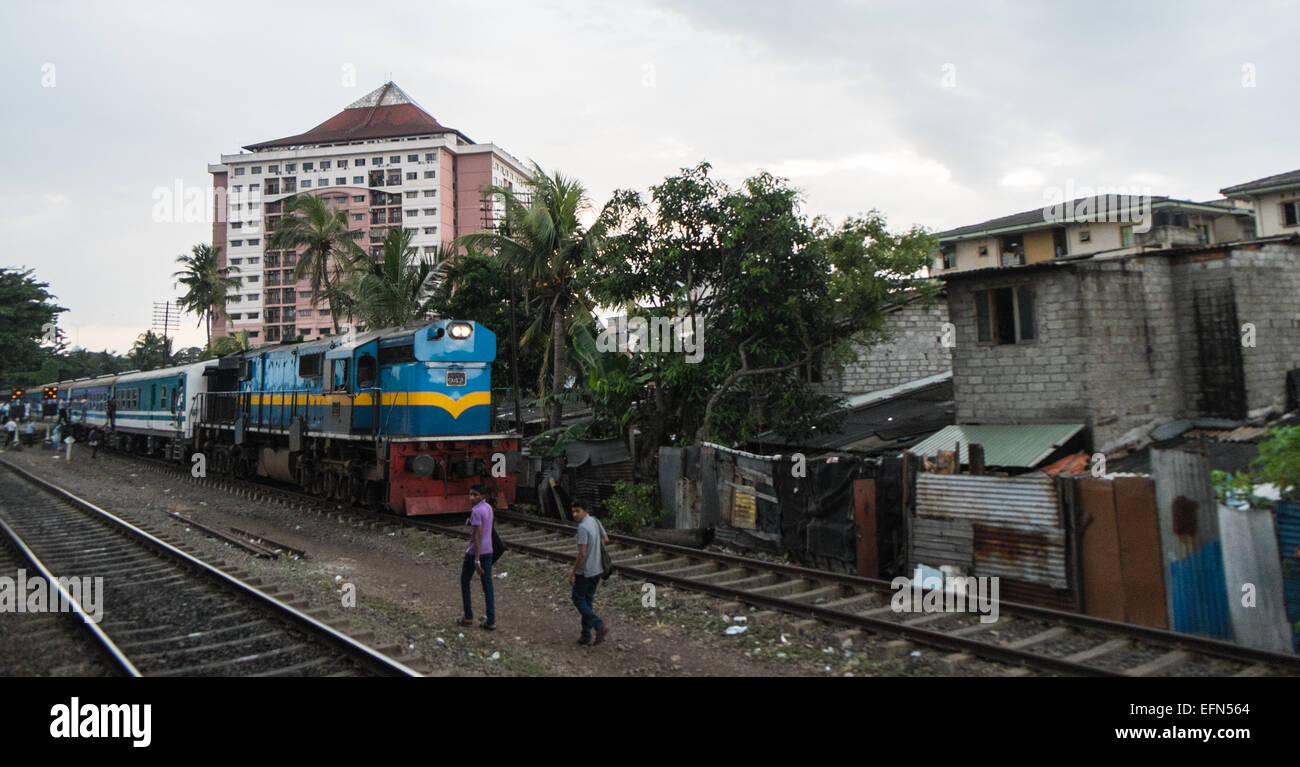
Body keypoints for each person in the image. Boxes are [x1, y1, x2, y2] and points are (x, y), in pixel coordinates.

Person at [569, 500, 611, 646]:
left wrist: (573, 572)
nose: (575, 514)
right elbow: (606, 539)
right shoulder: (596, 521)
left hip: (585, 572)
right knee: (587, 601)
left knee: (578, 598)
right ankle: (585, 636)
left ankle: (599, 625)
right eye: (573, 511)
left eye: (577, 511)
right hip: (598, 569)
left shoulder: (582, 528)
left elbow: (582, 554)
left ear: (585, 511)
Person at [457, 483, 496, 630]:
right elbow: (486, 528)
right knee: (488, 586)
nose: (471, 497)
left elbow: (478, 536)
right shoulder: (488, 508)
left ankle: (468, 616)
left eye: (475, 495)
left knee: (465, 581)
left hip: (475, 553)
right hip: (489, 551)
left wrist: (476, 559)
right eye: (470, 494)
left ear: (482, 496)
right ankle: (491, 620)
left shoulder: (476, 511)